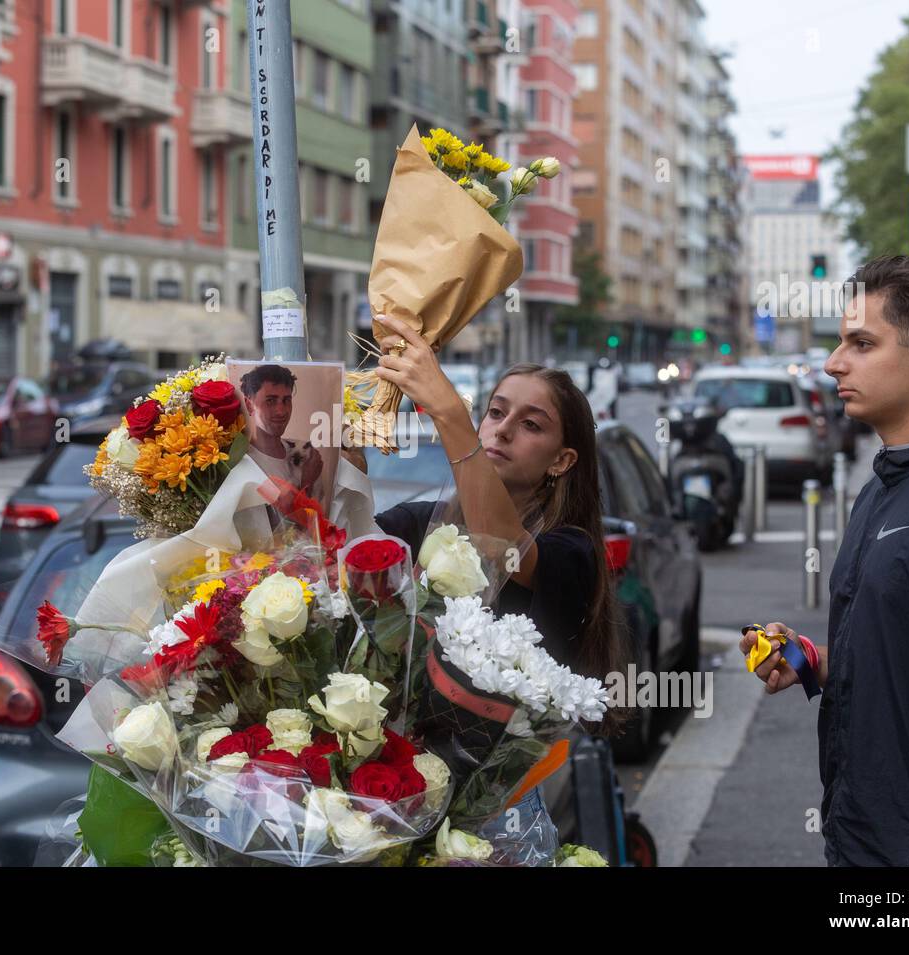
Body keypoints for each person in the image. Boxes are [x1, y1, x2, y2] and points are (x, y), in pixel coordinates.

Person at [743, 255, 909, 866]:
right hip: (862, 838)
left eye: (861, 343)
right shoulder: (891, 479)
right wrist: (810, 660)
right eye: (841, 342)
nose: (835, 362)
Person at [360, 314, 628, 859]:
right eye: (495, 413)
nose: (502, 430)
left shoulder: (569, 550)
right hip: (395, 796)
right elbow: (341, 544)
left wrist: (449, 414)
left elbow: (496, 549)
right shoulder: (420, 522)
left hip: (498, 818)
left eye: (531, 424)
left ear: (562, 460)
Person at [238, 364, 325, 503]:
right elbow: (283, 524)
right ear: (249, 405)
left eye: (286, 400)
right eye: (270, 401)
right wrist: (307, 482)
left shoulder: (303, 452)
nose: (281, 411)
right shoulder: (247, 464)